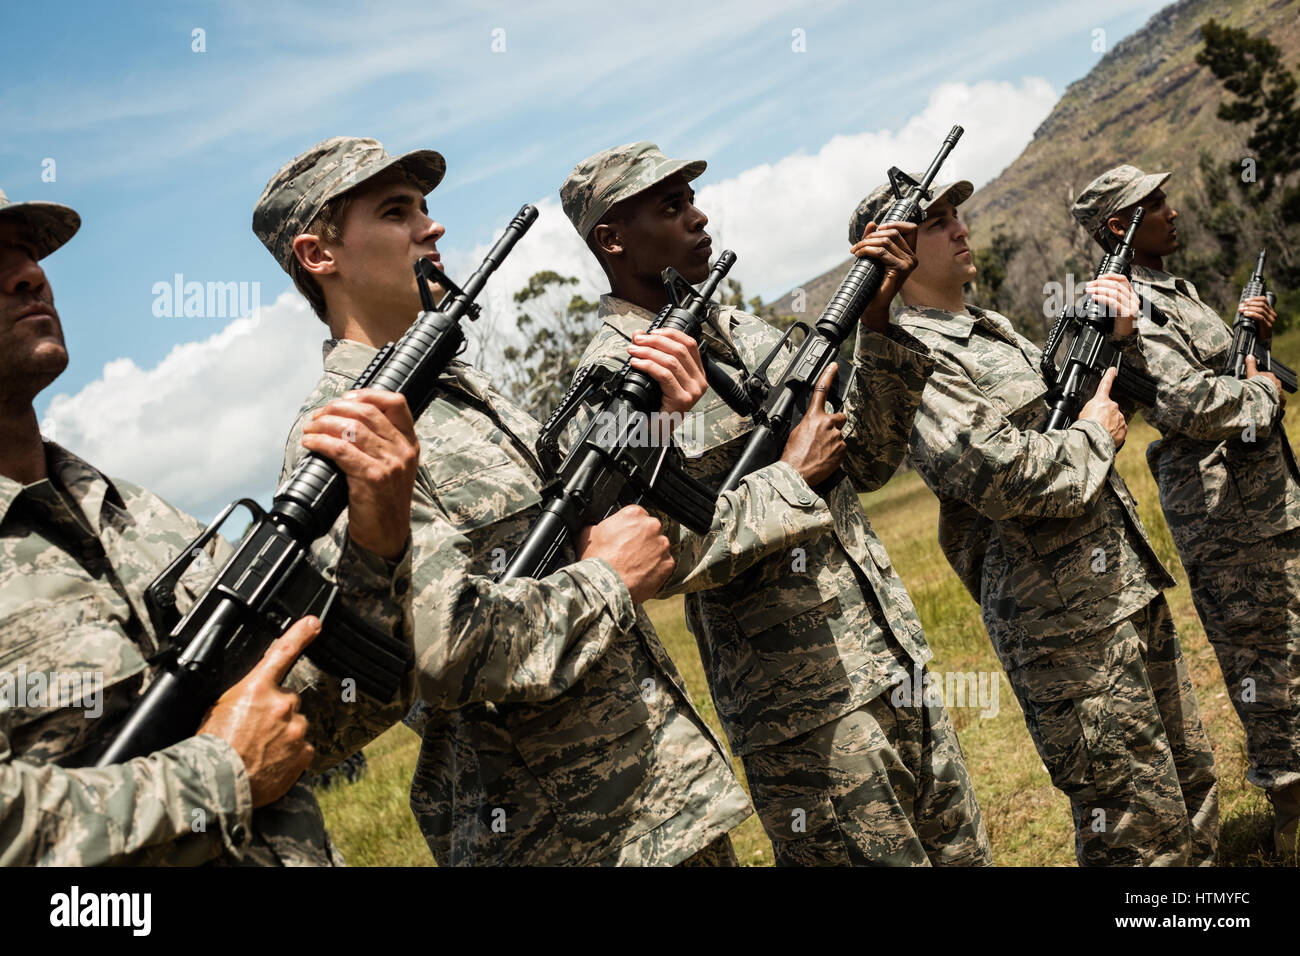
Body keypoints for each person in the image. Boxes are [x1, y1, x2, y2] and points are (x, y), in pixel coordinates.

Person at [255, 137, 837, 865]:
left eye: (427, 208)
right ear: (319, 255)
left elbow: (624, 530)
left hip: (661, 807)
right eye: (396, 212)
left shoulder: (472, 400)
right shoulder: (341, 441)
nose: (430, 227)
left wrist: (658, 423)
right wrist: (605, 581)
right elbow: (440, 653)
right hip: (556, 838)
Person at [559, 141, 992, 866]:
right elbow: (652, 556)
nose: (699, 217)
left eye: (693, 200)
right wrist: (790, 479)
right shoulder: (614, 382)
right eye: (672, 207)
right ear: (612, 238)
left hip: (890, 659)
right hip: (806, 715)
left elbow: (867, 463)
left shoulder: (743, 332)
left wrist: (879, 329)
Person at [0, 187, 418, 865]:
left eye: (26, 254)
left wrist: (377, 541)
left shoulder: (143, 519)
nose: (30, 274)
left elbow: (326, 720)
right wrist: (219, 774)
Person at [850, 175, 1219, 865]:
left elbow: (1096, 405)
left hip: (1121, 586)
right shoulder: (914, 359)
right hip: (1061, 629)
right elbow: (1003, 475)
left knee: (1189, 781)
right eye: (936, 223)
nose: (961, 229)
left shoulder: (989, 328)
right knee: (1136, 826)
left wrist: (1120, 340)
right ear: (893, 253)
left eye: (958, 215)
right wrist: (1094, 438)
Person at [1072, 164, 1300, 857]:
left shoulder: (1172, 288)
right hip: (1224, 511)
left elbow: (1214, 372)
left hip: (1261, 492)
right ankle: (1291, 813)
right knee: (1265, 650)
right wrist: (1262, 392)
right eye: (1155, 204)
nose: (1171, 211)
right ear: (1120, 226)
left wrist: (1249, 335)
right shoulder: (1124, 305)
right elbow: (1187, 404)